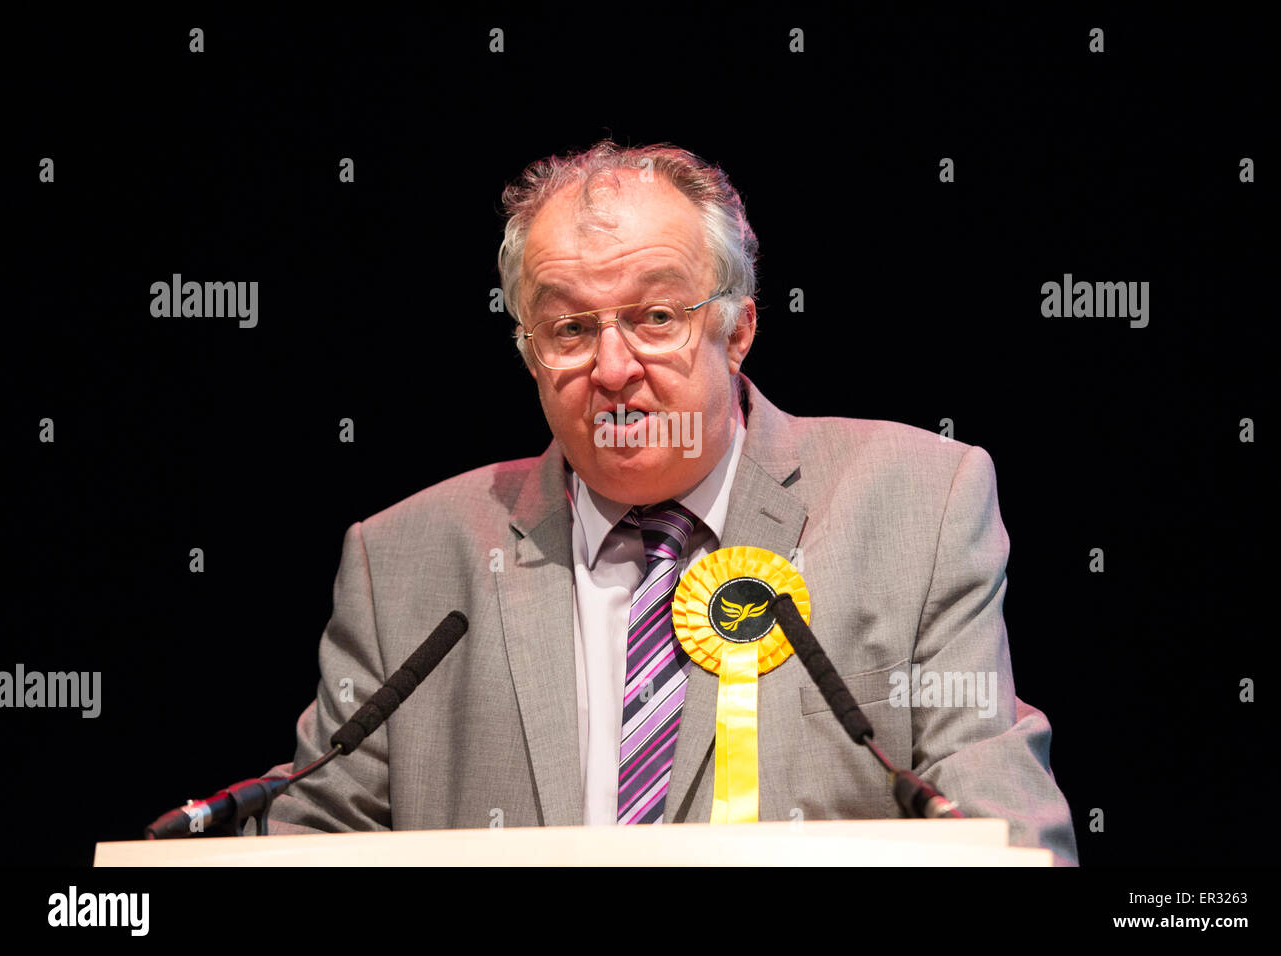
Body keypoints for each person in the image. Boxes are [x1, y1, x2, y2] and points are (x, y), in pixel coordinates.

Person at [253, 140, 1079, 864]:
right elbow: (309, 842)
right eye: (570, 330)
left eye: (655, 316)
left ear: (738, 327)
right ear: (529, 353)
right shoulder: (402, 561)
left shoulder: (916, 505)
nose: (612, 368)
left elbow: (999, 829)